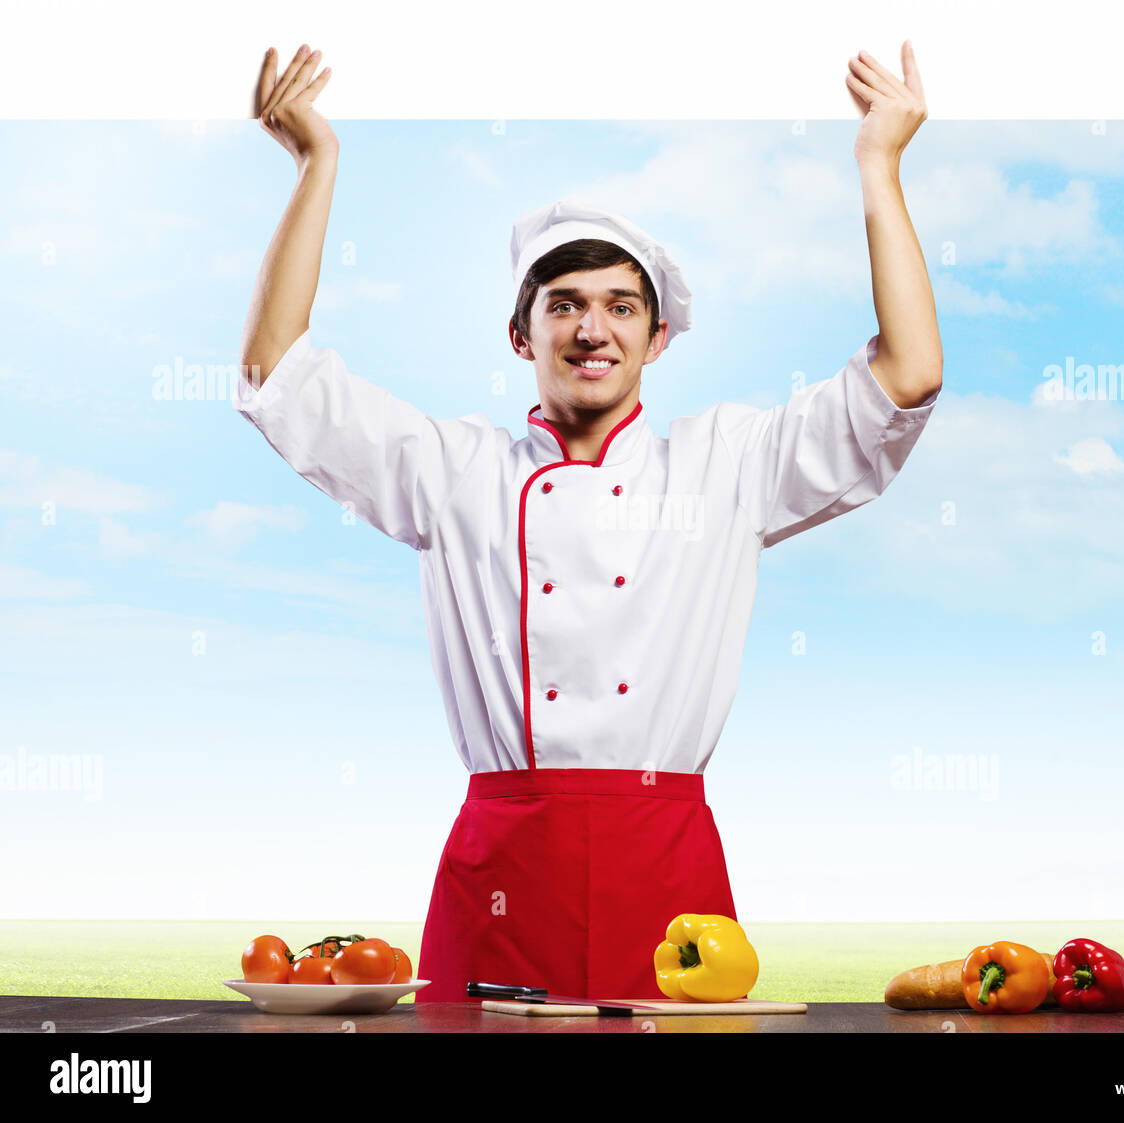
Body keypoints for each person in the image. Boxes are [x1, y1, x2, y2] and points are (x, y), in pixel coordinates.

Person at [235, 42, 942, 1002]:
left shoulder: (726, 463)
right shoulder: (454, 470)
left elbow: (908, 377)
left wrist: (880, 166)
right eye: (562, 305)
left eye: (619, 305)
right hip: (501, 872)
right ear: (522, 334)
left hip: (669, 877)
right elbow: (276, 373)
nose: (590, 328)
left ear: (659, 336)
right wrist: (318, 164)